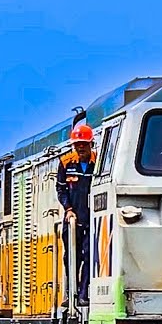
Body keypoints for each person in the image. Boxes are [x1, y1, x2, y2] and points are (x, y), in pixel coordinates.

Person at [56, 123, 97, 304]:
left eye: (84, 144)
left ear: (91, 144)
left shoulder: (98, 161)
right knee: (72, 257)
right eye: (77, 144)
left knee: (89, 254)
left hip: (92, 218)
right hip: (72, 218)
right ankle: (71, 292)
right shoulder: (65, 162)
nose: (80, 147)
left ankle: (83, 294)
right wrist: (68, 209)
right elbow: (61, 189)